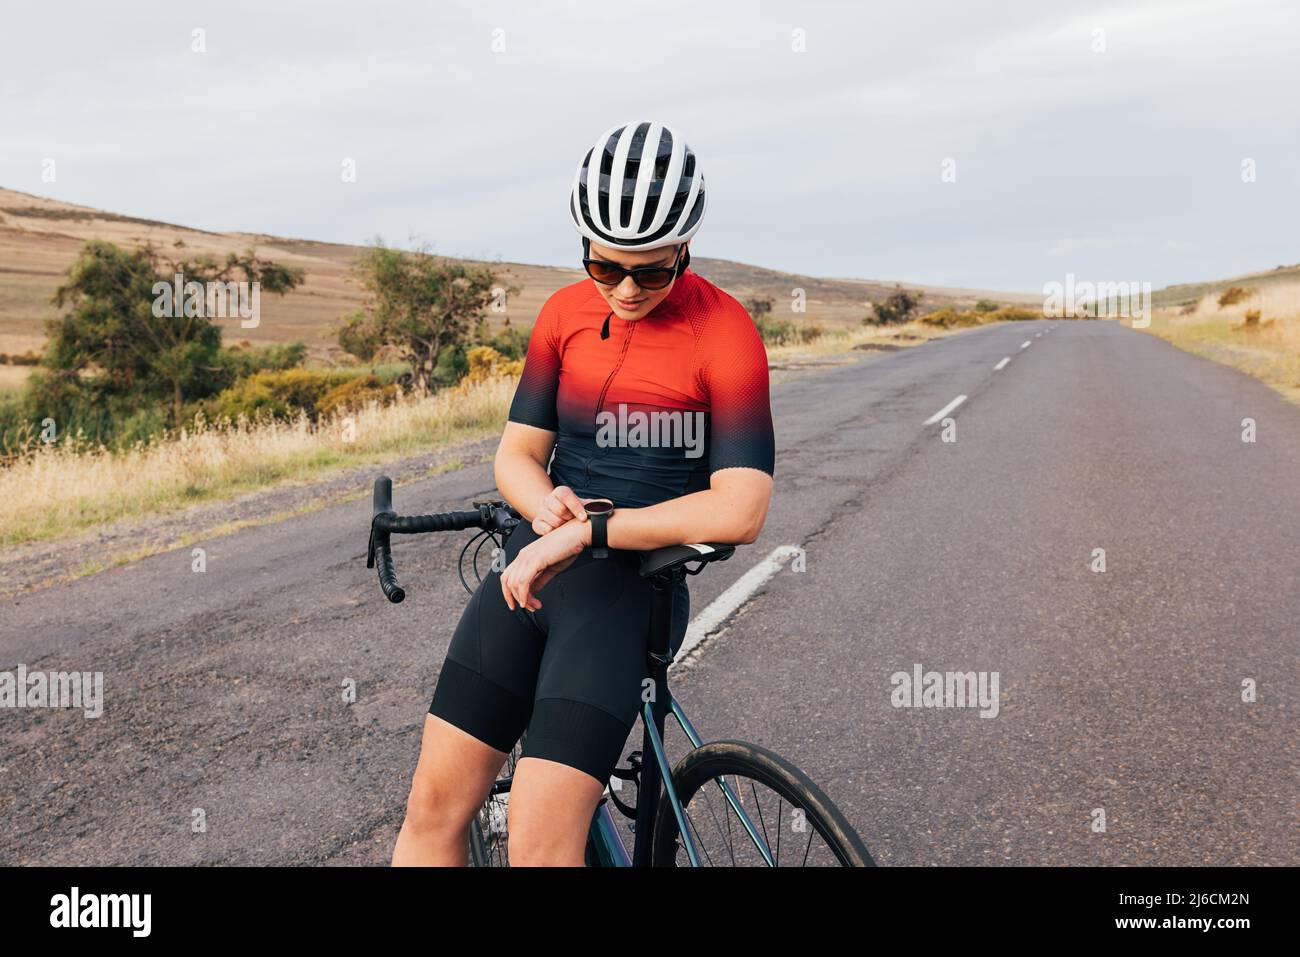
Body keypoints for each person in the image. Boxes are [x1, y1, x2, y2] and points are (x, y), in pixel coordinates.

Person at [391, 121, 775, 866]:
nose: (627, 289)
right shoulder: (564, 316)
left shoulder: (724, 333)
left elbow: (742, 507)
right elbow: (518, 454)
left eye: (651, 272)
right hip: (525, 576)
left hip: (624, 594)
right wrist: (542, 506)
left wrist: (589, 534)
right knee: (431, 810)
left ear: (685, 250)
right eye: (606, 267)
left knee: (539, 845)